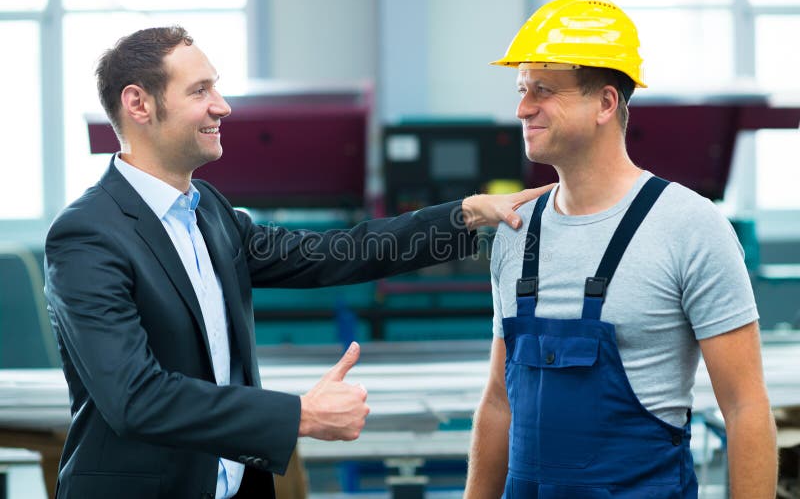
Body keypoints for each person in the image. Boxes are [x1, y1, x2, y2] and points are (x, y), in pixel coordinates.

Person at [43, 26, 553, 499]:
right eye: (199, 91)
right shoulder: (88, 236)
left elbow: (330, 254)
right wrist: (299, 415)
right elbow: (135, 397)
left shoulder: (210, 213)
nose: (221, 106)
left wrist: (464, 215)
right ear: (139, 103)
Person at [464, 0, 777, 498]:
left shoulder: (689, 226)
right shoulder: (516, 231)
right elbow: (499, 403)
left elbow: (745, 407)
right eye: (522, 89)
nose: (523, 108)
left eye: (543, 90)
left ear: (606, 103)